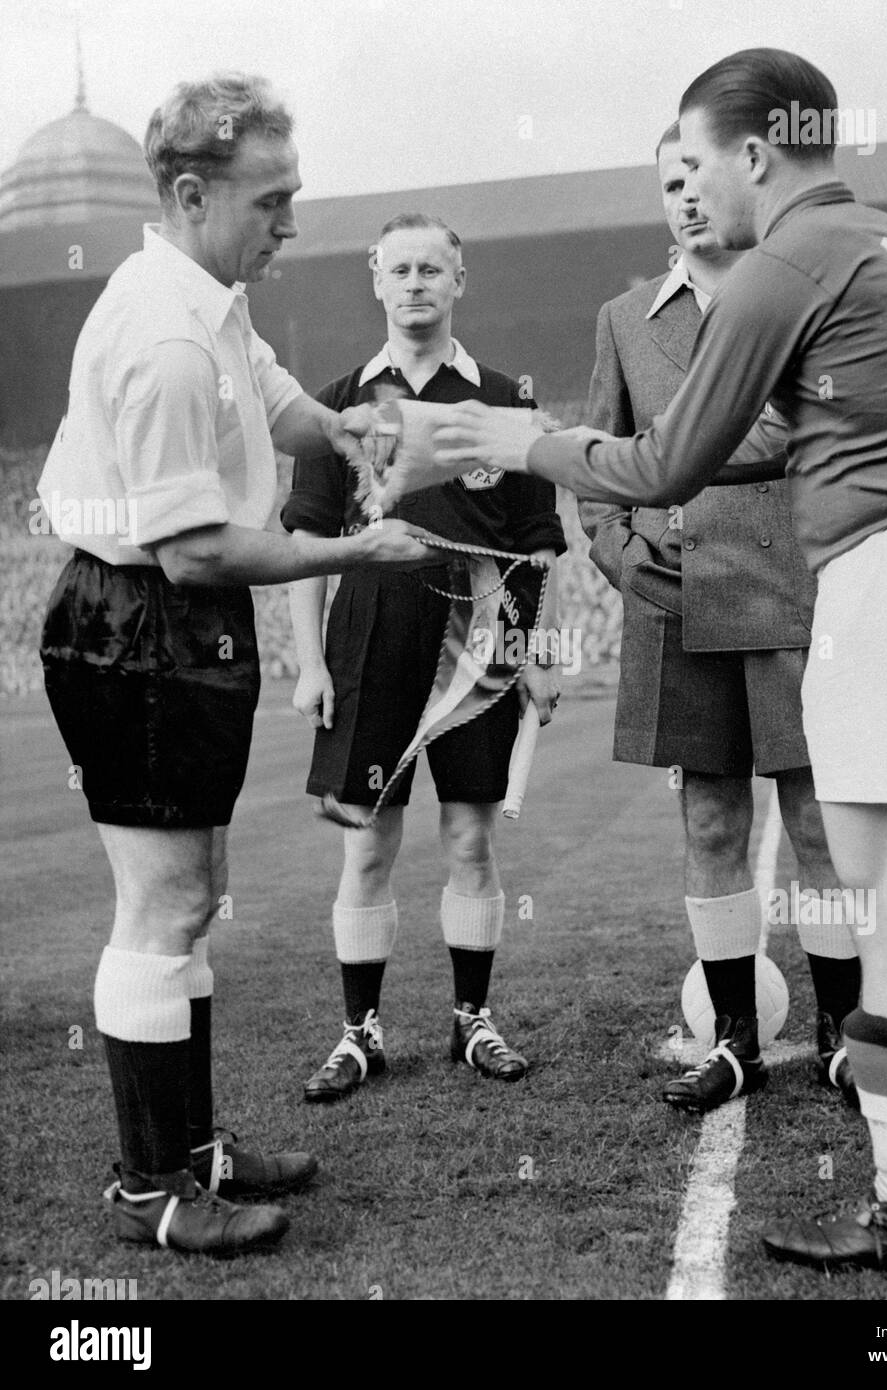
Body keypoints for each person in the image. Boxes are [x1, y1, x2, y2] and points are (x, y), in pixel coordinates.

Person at [425, 49, 887, 1271]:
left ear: (756, 153)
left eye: (701, 163)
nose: (695, 190)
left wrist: (530, 437)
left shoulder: (783, 261)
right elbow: (776, 432)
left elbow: (666, 466)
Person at [37, 74, 442, 1258]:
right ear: (190, 191)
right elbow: (196, 546)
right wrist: (354, 546)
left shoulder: (203, 291)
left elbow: (266, 392)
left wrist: (343, 424)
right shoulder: (163, 334)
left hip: (175, 622)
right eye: (271, 201)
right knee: (160, 906)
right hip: (136, 621)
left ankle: (193, 1144)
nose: (290, 224)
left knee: (196, 893)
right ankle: (149, 1185)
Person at [580, 119, 858, 1115]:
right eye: (669, 183)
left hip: (791, 600)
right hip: (677, 604)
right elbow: (598, 469)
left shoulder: (790, 297)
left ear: (740, 180)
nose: (687, 199)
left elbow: (817, 434)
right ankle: (736, 1040)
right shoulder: (623, 318)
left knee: (821, 822)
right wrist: (627, 565)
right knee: (709, 818)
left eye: (699, 177)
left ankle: (843, 1035)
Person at [283, 213, 565, 1103]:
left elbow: (537, 539)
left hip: (481, 638)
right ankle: (358, 1031)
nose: (414, 284)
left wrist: (538, 648)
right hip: (368, 637)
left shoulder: (499, 400)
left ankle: (470, 1019)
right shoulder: (341, 405)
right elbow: (305, 542)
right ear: (376, 279)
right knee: (363, 843)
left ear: (458, 280)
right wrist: (309, 661)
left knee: (470, 837)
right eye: (399, 268)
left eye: (430, 269)